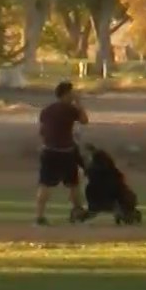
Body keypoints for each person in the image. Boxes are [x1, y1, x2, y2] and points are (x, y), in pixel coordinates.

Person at [35, 80, 89, 225]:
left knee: (45, 184)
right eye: (72, 92)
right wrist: (79, 103)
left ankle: (39, 216)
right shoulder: (70, 109)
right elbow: (84, 120)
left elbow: (42, 131)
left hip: (48, 150)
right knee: (73, 183)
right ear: (66, 94)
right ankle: (77, 210)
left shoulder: (46, 110)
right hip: (65, 152)